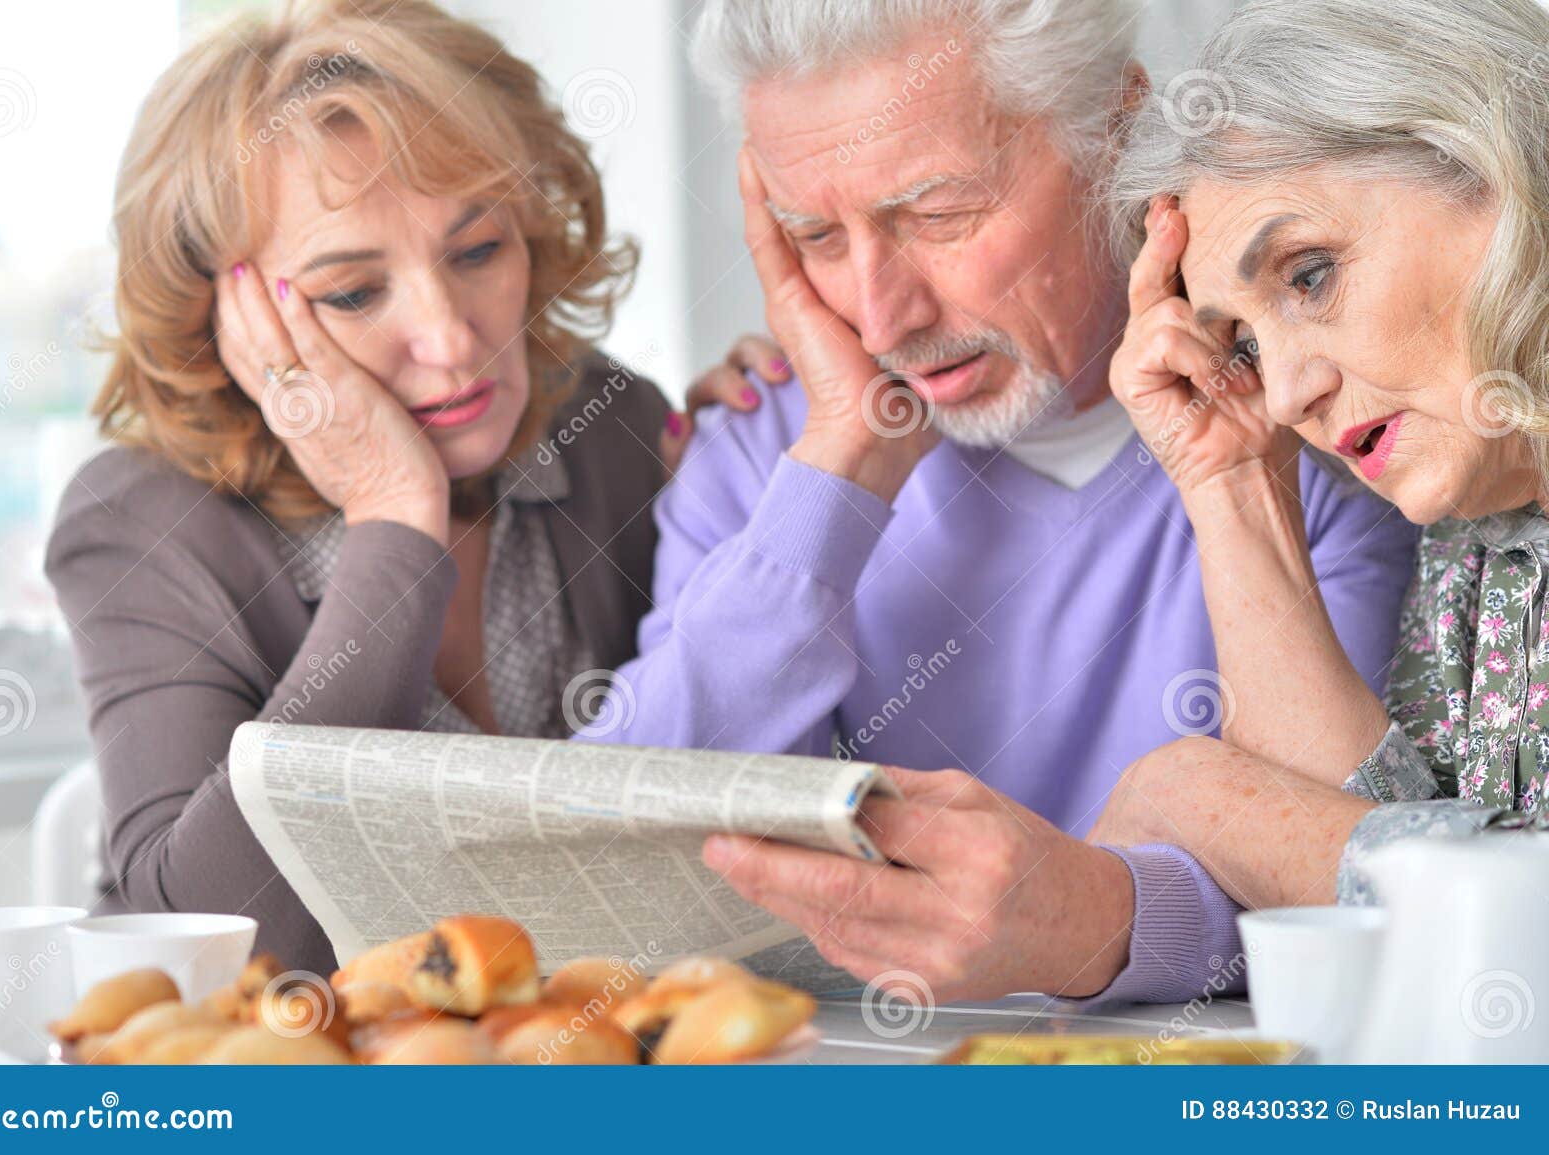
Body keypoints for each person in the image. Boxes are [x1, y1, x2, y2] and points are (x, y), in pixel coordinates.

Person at [587, 0, 1419, 1002]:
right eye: (813, 235)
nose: (881, 311)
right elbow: (626, 868)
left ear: (1116, 134)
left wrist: (1101, 920)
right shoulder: (771, 459)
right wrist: (844, 464)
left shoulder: (1319, 424)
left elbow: (1365, 879)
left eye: (938, 217)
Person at [46, 0, 785, 973]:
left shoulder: (610, 427)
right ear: (221, 319)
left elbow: (722, 788)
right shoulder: (140, 519)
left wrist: (756, 474)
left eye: (478, 251)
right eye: (352, 292)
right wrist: (393, 522)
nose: (451, 338)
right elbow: (213, 941)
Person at [1092, 0, 1549, 948]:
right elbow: (1378, 930)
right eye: (1247, 345)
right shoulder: (1483, 542)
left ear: (1495, 158)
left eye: (1309, 275)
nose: (1288, 394)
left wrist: (1194, 793)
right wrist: (1227, 479)